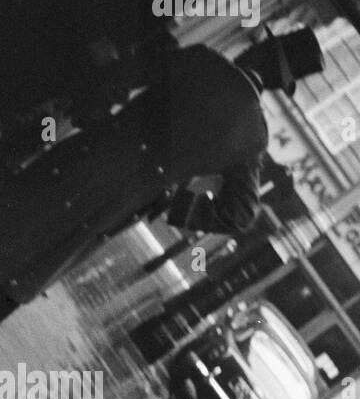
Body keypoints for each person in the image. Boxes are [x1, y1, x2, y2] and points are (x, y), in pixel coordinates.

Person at [0, 26, 324, 322]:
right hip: (115, 208)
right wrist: (168, 198)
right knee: (31, 267)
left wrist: (92, 112)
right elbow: (240, 214)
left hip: (84, 161)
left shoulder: (202, 61)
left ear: (262, 52)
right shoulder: (253, 135)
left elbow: (120, 78)